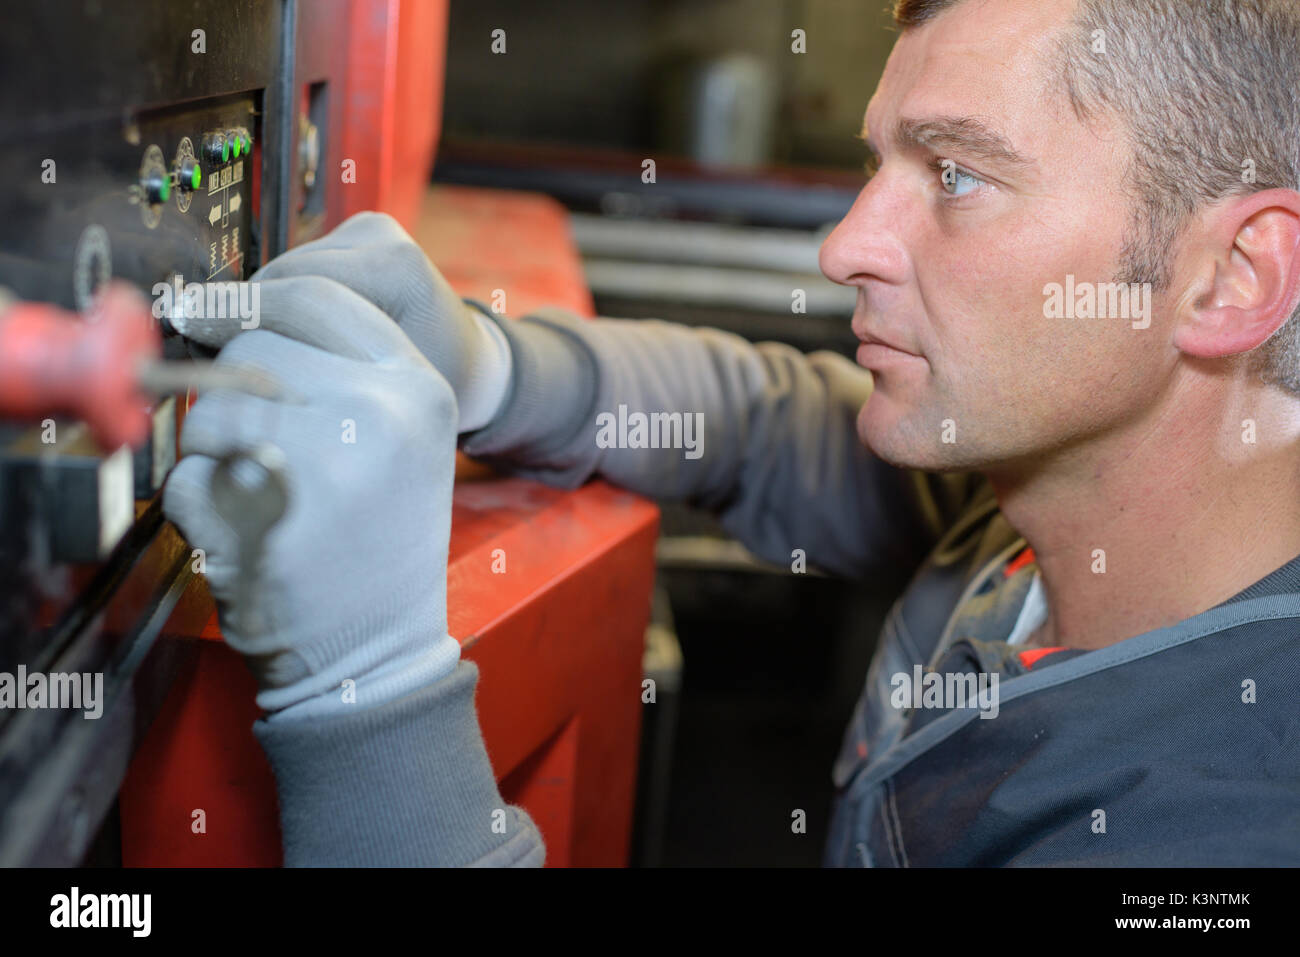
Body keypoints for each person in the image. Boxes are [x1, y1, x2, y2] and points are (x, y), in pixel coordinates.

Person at [163, 0, 1300, 866]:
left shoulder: (1207, 838)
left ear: (1229, 278)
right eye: (877, 164)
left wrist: (365, 691)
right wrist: (490, 366)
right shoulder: (1032, 511)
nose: (847, 242)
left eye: (956, 175)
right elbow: (770, 425)